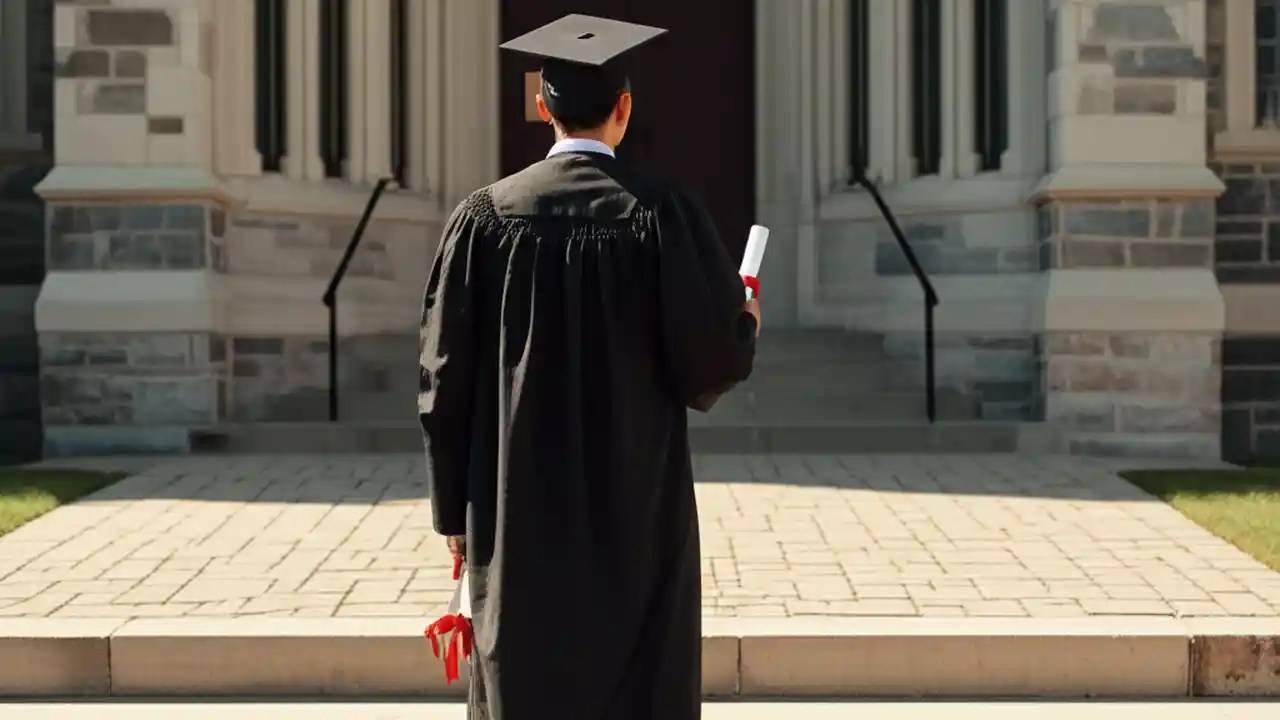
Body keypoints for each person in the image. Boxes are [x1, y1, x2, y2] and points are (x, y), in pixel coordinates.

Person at [418, 14, 760, 720]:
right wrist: (743, 325)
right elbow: (709, 365)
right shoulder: (663, 215)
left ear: (543, 108)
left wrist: (454, 510)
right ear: (624, 110)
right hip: (636, 505)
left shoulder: (483, 219)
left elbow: (443, 377)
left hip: (515, 506)